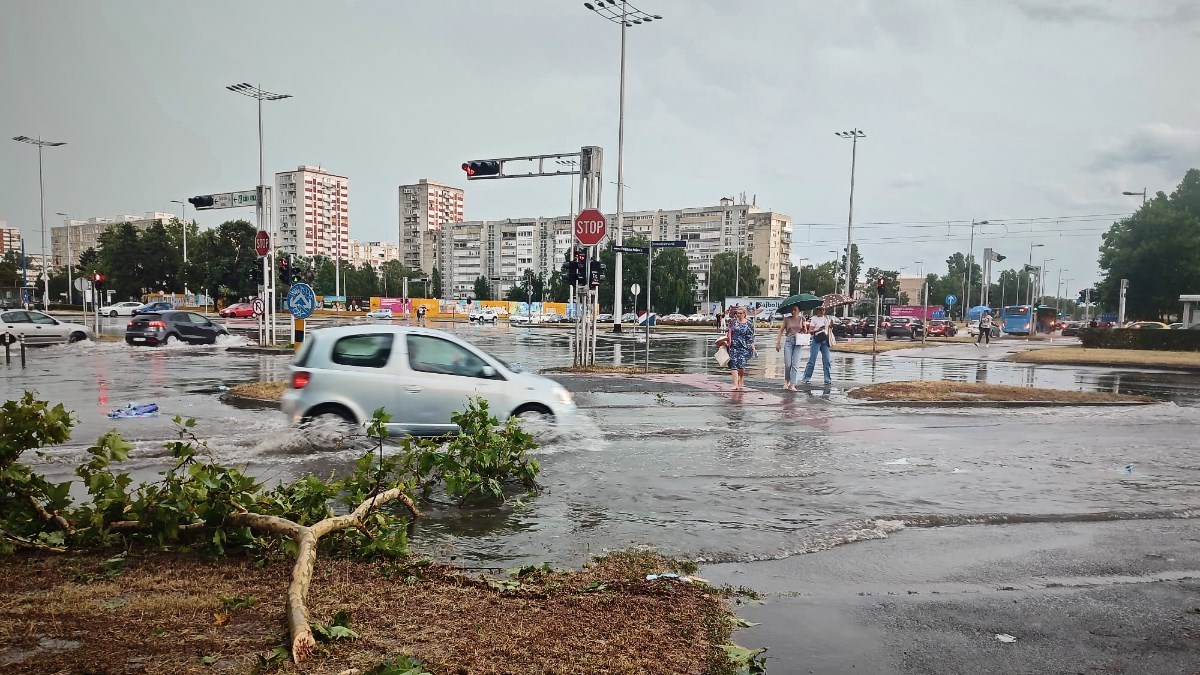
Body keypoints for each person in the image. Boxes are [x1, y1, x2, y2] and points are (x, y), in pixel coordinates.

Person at [775, 306, 807, 391]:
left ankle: (793, 384)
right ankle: (787, 381)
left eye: (795, 310)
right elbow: (781, 330)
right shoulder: (787, 319)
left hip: (798, 342)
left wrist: (804, 327)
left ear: (799, 310)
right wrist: (778, 342)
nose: (793, 311)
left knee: (795, 364)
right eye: (792, 310)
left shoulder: (802, 319)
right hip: (789, 341)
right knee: (788, 364)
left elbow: (805, 332)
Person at [725, 306, 757, 391]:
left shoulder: (748, 323)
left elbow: (750, 337)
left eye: (740, 313)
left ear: (744, 313)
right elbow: (728, 332)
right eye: (737, 313)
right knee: (733, 365)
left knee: (741, 366)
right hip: (733, 347)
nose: (739, 315)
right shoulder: (733, 322)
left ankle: (741, 378)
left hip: (744, 347)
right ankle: (735, 384)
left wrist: (753, 348)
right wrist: (725, 342)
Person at [801, 306, 833, 386]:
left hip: (825, 340)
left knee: (827, 360)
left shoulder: (827, 318)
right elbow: (810, 331)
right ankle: (806, 378)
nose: (822, 311)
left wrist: (830, 327)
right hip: (816, 340)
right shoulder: (814, 318)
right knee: (812, 360)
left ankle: (827, 379)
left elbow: (830, 329)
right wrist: (818, 330)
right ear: (817, 310)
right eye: (820, 309)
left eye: (823, 309)